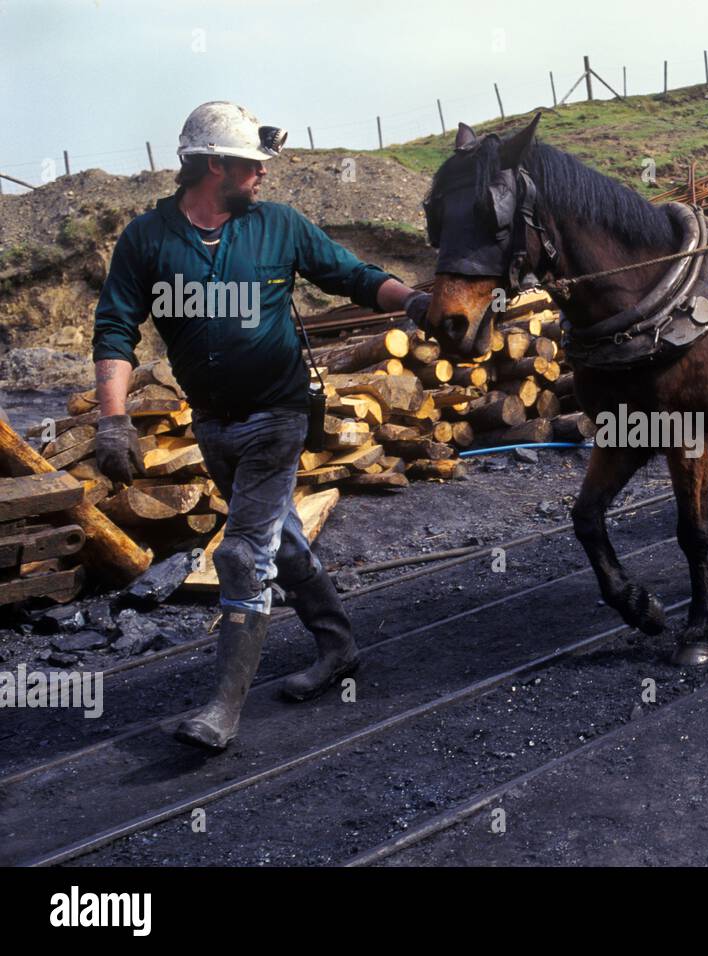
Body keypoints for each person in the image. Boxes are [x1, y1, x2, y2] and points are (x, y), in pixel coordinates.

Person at [92, 102, 430, 751]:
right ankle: (339, 648)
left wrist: (411, 299)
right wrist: (113, 422)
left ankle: (222, 709)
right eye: (252, 165)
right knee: (283, 539)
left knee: (244, 553)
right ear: (213, 166)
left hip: (279, 413)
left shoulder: (279, 226)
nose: (262, 177)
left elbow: (350, 276)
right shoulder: (147, 240)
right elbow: (115, 327)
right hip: (214, 424)